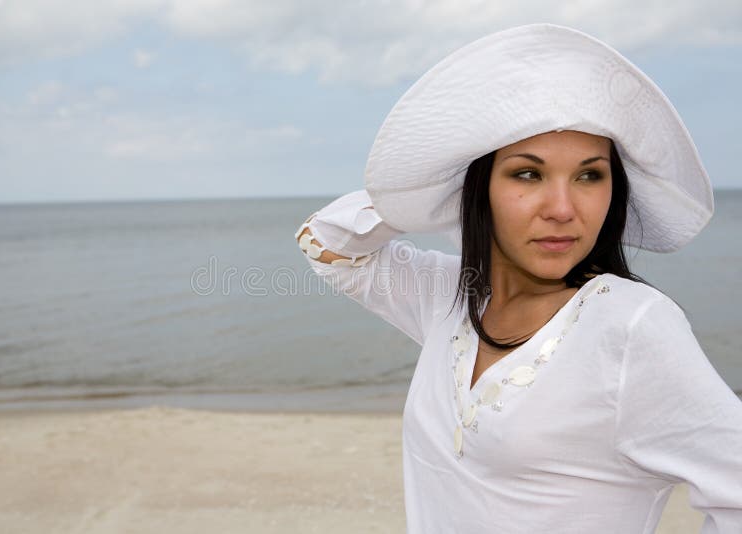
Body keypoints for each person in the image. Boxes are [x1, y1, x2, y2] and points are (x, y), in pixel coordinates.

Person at [294, 23, 742, 533]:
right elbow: (326, 243)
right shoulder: (452, 296)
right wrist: (432, 192)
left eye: (589, 175)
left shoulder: (631, 325)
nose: (562, 209)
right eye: (527, 174)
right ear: (481, 185)